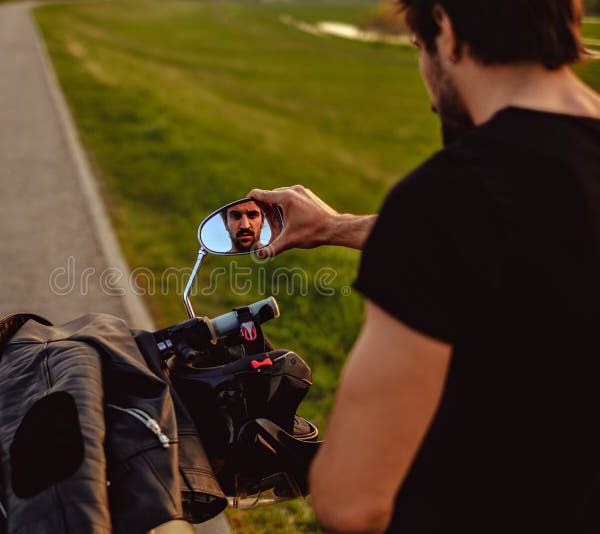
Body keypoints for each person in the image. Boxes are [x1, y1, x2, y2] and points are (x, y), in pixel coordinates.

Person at [249, 1, 600, 533]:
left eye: (419, 47)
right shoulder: (536, 183)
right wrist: (337, 226)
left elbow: (351, 501)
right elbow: (540, 233)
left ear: (447, 29)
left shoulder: (449, 200)